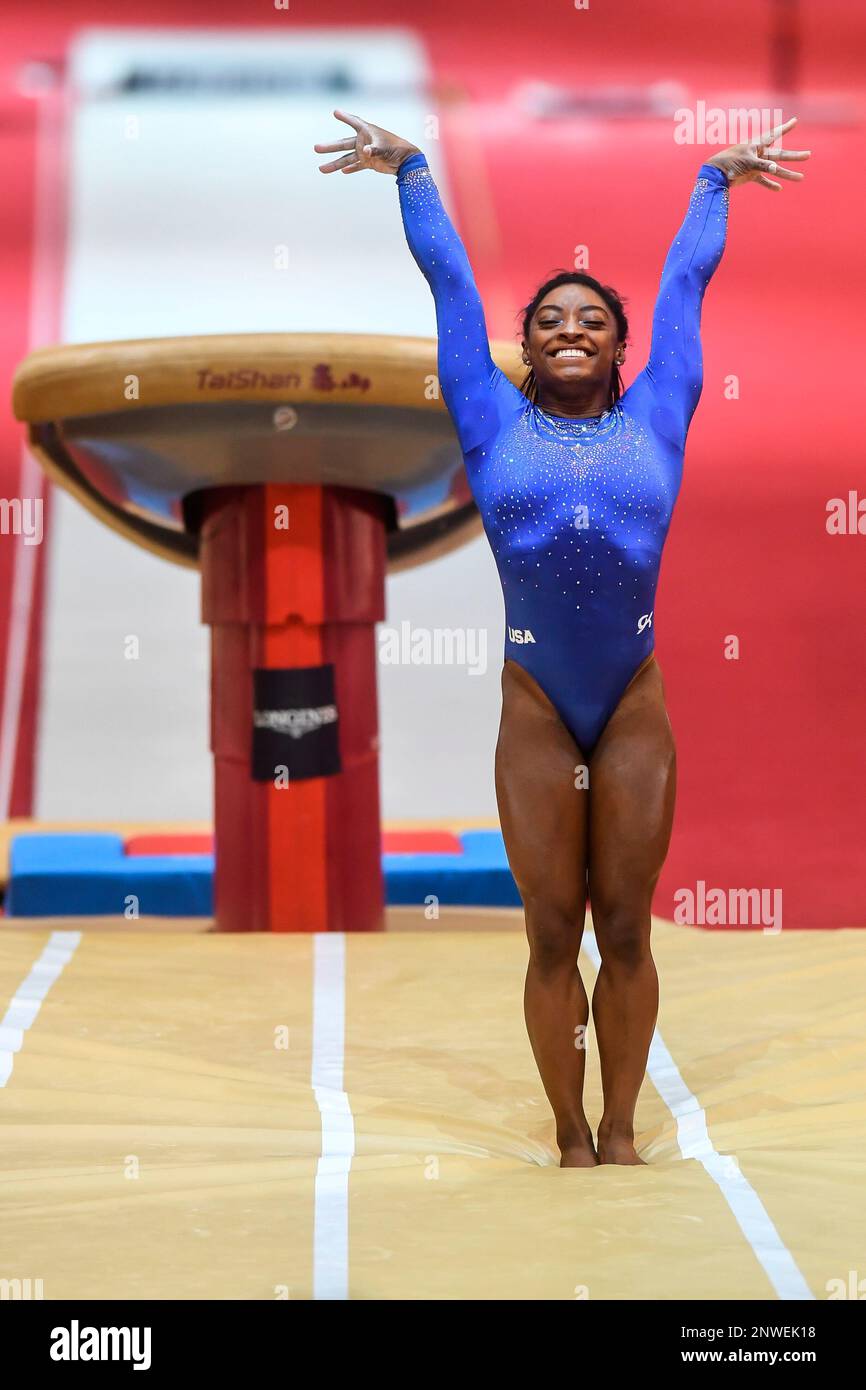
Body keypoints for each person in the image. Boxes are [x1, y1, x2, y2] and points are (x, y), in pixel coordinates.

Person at [314, 112, 809, 1167]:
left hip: (628, 697)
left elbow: (684, 291)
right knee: (549, 932)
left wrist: (710, 182)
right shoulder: (484, 413)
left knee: (624, 928)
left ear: (620, 348)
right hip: (536, 701)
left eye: (590, 318)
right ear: (524, 346)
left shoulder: (659, 411)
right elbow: (450, 289)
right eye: (548, 319)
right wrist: (409, 171)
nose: (570, 327)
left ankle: (622, 1128)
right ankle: (568, 1131)